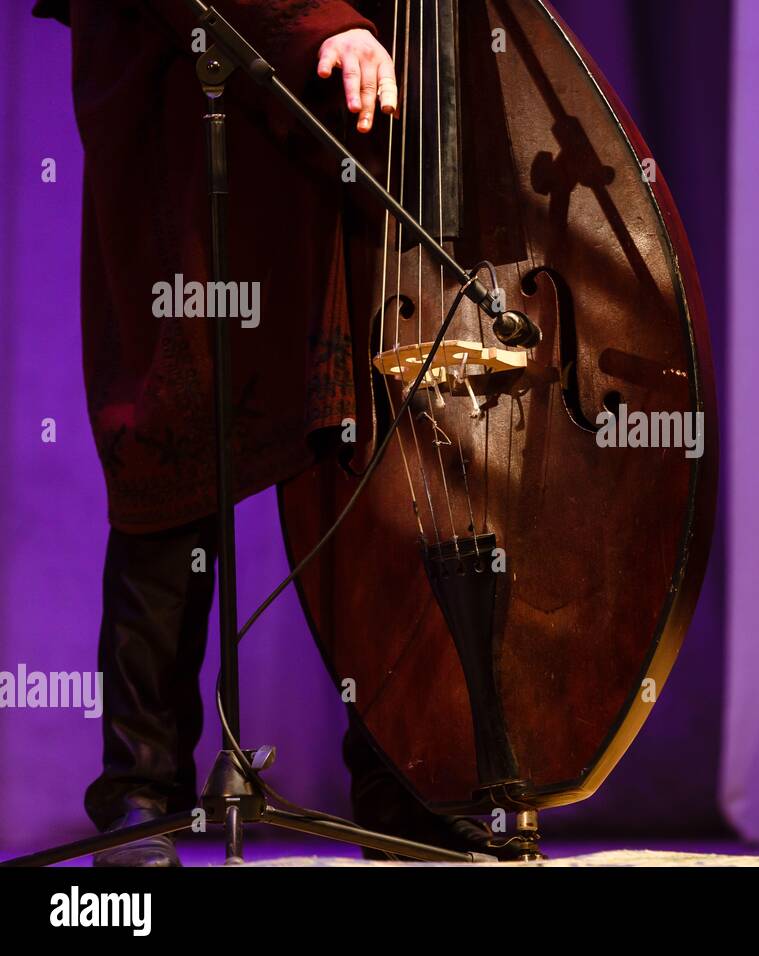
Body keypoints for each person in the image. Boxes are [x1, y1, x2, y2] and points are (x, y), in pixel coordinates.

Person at [34, 0, 497, 865]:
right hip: (192, 104)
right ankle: (143, 791)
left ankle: (399, 778)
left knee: (371, 457)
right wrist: (325, 25)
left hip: (339, 132)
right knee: (172, 439)